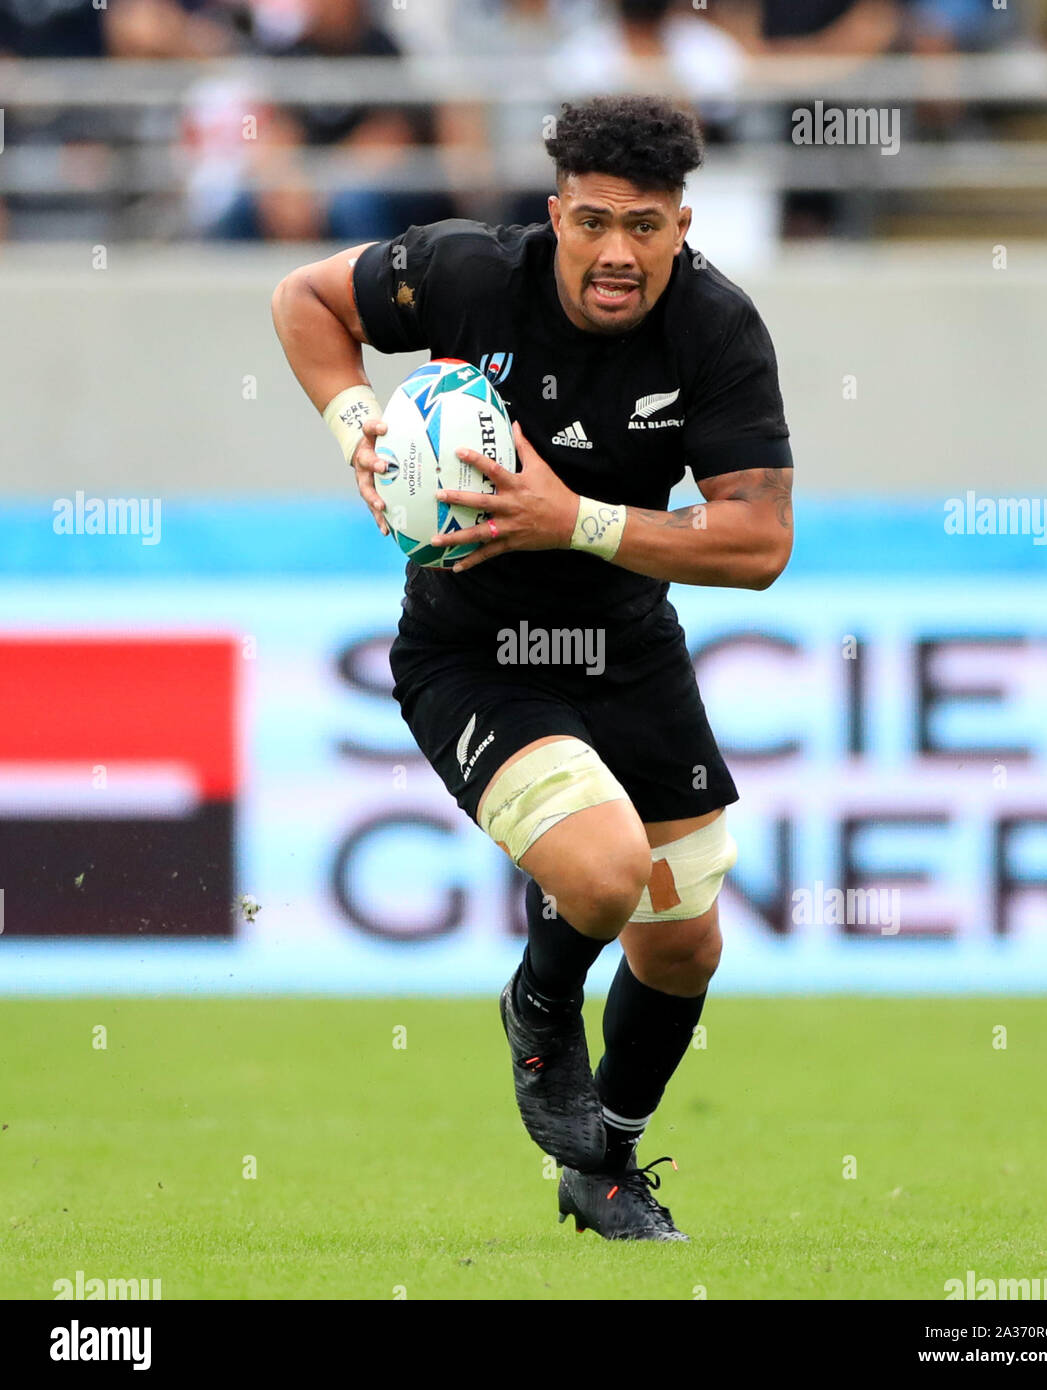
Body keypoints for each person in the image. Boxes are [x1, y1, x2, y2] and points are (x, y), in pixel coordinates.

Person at [272, 95, 794, 1240]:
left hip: (628, 646)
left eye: (645, 228)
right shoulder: (465, 274)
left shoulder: (714, 328)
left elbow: (757, 543)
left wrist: (576, 520)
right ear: (554, 215)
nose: (617, 253)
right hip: (473, 648)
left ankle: (602, 1164)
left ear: (681, 226)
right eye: (594, 221)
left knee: (683, 937)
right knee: (603, 874)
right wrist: (356, 419)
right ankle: (539, 1002)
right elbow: (303, 297)